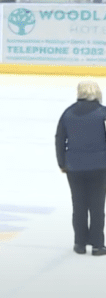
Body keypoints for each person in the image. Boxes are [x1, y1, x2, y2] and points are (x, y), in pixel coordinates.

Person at [56, 81, 106, 256]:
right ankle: (98, 245)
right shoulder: (103, 113)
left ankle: (79, 243)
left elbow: (59, 139)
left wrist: (62, 163)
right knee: (97, 206)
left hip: (75, 167)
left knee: (79, 206)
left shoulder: (68, 113)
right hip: (99, 166)